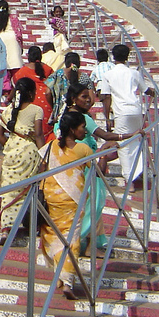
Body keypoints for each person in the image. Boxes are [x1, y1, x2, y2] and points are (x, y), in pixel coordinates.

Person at [54, 82, 138, 252]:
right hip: (85, 170)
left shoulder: (65, 117)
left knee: (88, 208)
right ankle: (80, 242)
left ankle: (89, 243)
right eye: (84, 97)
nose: (89, 101)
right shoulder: (81, 119)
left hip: (75, 170)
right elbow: (105, 135)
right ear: (73, 99)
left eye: (89, 97)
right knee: (92, 206)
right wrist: (131, 135)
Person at [40, 111, 94, 299]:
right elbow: (99, 169)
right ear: (72, 129)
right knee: (71, 241)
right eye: (82, 127)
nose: (85, 131)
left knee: (54, 236)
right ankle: (67, 283)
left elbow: (41, 168)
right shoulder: (83, 150)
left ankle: (61, 278)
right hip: (72, 202)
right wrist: (107, 153)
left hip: (50, 200)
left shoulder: (50, 146)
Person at [0, 77, 46, 246]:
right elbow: (38, 135)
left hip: (11, 151)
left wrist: (11, 145)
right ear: (30, 93)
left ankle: (6, 228)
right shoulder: (37, 110)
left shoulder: (9, 110)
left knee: (9, 190)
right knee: (25, 188)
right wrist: (44, 156)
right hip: (28, 152)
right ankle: (25, 224)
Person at [99, 44, 156, 186]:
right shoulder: (134, 73)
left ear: (113, 56)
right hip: (136, 111)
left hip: (121, 113)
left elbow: (106, 97)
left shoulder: (108, 75)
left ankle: (129, 180)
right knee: (136, 141)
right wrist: (154, 93)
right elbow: (146, 90)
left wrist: (107, 118)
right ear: (127, 57)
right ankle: (138, 173)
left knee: (123, 145)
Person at [11, 46, 54, 139]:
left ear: (28, 56)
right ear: (41, 56)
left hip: (31, 104)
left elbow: (16, 86)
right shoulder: (48, 69)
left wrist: (8, 99)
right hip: (48, 104)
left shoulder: (22, 71)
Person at [45, 52, 92, 126]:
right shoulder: (85, 77)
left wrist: (54, 106)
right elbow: (91, 99)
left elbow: (47, 92)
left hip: (60, 115)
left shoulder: (57, 74)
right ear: (78, 64)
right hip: (79, 117)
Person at [0, 0, 25, 80]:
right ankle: (16, 87)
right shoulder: (13, 18)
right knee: (15, 66)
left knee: (2, 67)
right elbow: (19, 33)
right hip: (13, 41)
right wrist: (21, 47)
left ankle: (4, 88)